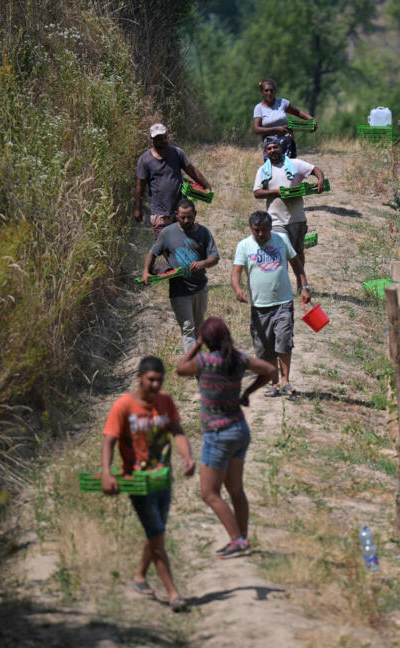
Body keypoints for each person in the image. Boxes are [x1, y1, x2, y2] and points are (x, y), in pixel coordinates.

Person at [175, 317, 277, 558]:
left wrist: (196, 344)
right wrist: (248, 392)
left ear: (207, 340)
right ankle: (242, 538)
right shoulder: (238, 359)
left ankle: (236, 540)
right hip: (239, 430)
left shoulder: (204, 361)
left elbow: (180, 368)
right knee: (236, 489)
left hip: (217, 433)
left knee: (209, 493)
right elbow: (271, 371)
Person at [100, 356, 196, 612]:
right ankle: (173, 594)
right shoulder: (123, 406)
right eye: (151, 380)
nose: (155, 385)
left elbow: (177, 430)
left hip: (162, 479)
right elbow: (109, 440)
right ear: (139, 378)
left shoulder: (165, 402)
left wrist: (187, 457)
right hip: (137, 482)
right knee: (156, 534)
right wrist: (107, 473)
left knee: (157, 531)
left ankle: (140, 576)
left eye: (159, 380)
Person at [231, 211, 311, 398]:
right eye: (256, 231)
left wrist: (304, 286)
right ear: (251, 229)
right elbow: (236, 272)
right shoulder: (244, 245)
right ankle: (274, 383)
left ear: (270, 228)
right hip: (259, 306)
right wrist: (237, 289)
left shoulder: (281, 239)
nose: (260, 235)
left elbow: (296, 264)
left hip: (283, 301)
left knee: (283, 341)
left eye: (264, 231)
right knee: (264, 347)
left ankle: (286, 381)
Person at [143, 198, 220, 352]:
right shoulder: (167, 233)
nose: (186, 220)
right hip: (179, 291)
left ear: (195, 214)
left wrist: (202, 264)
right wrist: (146, 272)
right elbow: (152, 253)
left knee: (199, 327)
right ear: (176, 214)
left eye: (189, 217)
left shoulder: (203, 233)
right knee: (187, 328)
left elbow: (215, 258)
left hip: (200, 288)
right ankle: (195, 367)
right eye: (182, 217)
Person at [253, 136, 325, 291]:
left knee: (298, 252)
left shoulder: (294, 163)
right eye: (269, 148)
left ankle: (301, 284)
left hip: (297, 218)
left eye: (275, 147)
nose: (272, 150)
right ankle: (283, 285)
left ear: (281, 148)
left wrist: (320, 180)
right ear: (265, 152)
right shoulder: (263, 171)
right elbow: (257, 192)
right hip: (276, 220)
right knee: (279, 252)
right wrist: (276, 192)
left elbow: (315, 169)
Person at [135, 123, 212, 238]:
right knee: (164, 243)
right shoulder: (145, 160)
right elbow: (140, 186)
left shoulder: (177, 153)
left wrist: (206, 186)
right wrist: (138, 209)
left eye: (164, 137)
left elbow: (191, 171)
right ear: (152, 139)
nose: (162, 140)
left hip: (180, 208)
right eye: (158, 138)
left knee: (183, 241)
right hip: (160, 211)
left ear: (167, 136)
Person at [252, 78, 314, 159]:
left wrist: (311, 120)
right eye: (266, 90)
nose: (269, 93)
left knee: (289, 168)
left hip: (287, 142)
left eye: (271, 90)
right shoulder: (259, 108)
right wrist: (276, 129)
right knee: (273, 169)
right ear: (262, 92)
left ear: (275, 91)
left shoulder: (282, 103)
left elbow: (298, 112)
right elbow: (257, 129)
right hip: (271, 146)